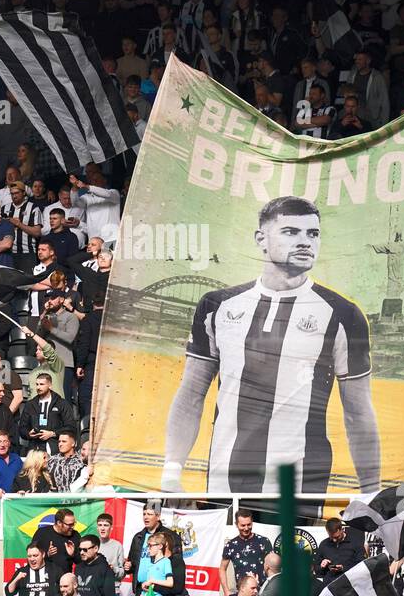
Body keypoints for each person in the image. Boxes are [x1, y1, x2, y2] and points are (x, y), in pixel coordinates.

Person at [162, 195, 379, 493]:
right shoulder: (218, 305)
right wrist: (172, 471)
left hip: (301, 480)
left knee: (292, 542)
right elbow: (191, 393)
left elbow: (358, 410)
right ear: (261, 239)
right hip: (226, 474)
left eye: (312, 234)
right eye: (291, 232)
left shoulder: (343, 314)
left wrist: (371, 490)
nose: (305, 242)